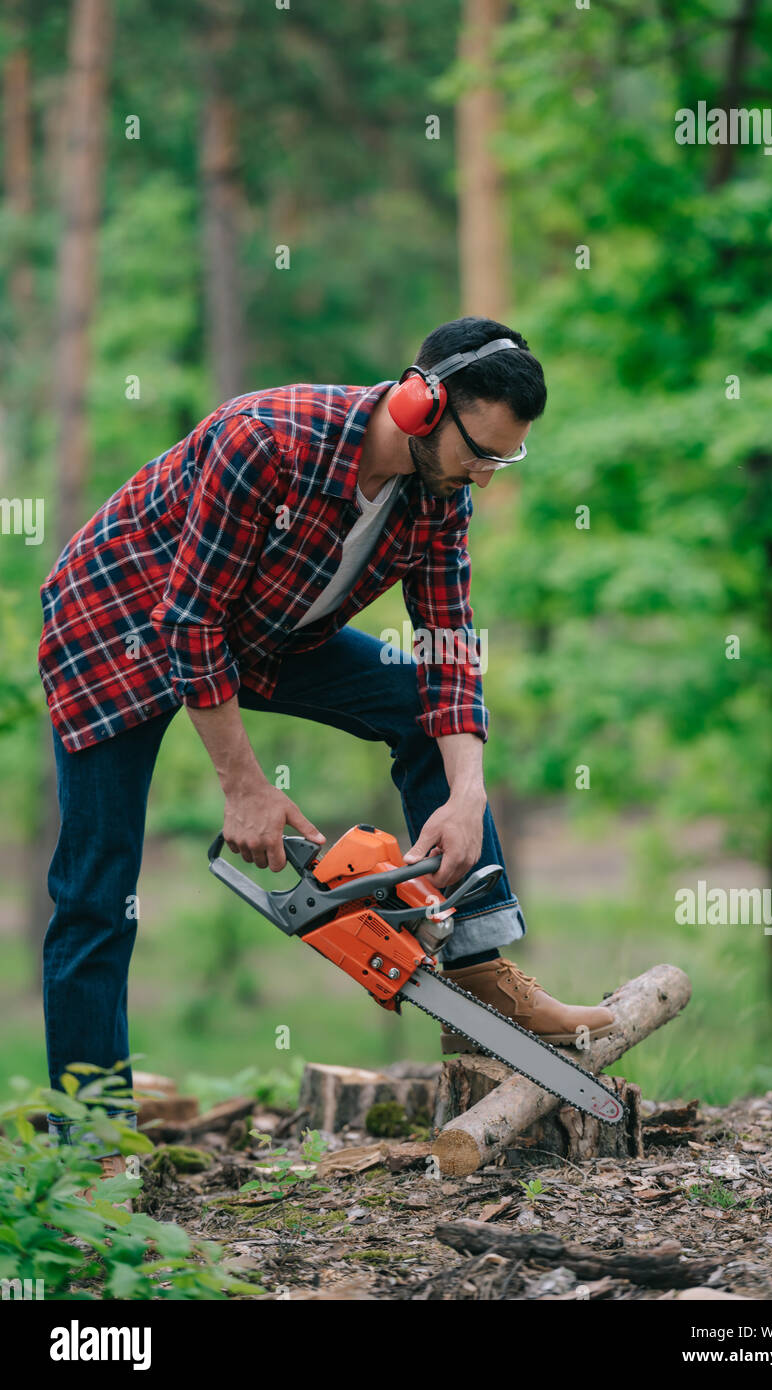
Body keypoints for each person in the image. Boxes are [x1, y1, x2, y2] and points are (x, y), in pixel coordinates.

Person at [37, 315, 615, 1172]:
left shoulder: (439, 497)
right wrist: (244, 786)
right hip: (118, 625)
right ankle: (88, 1148)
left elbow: (448, 650)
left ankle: (480, 966)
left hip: (262, 628)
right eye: (480, 452)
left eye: (504, 459)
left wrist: (466, 796)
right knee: (98, 886)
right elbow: (188, 623)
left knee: (422, 710)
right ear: (423, 402)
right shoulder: (263, 442)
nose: (486, 478)